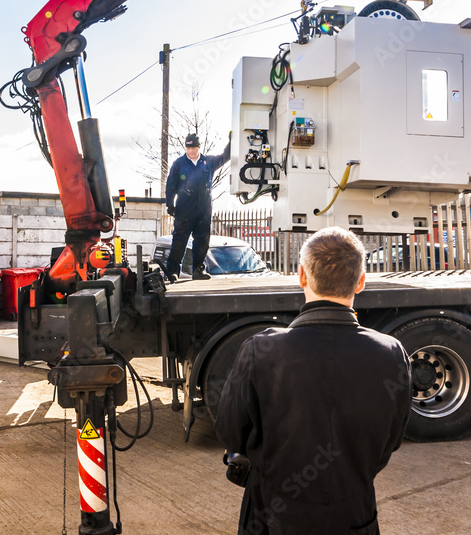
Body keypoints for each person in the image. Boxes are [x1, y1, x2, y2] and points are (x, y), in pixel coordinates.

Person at [215, 227, 412, 535]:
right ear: (361, 281)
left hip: (271, 516)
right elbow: (392, 439)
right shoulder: (392, 353)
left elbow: (229, 432)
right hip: (355, 514)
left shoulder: (261, 350)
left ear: (302, 276)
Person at [164, 132, 231, 281]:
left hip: (204, 209)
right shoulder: (178, 164)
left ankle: (198, 270)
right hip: (184, 209)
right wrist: (170, 203)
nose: (191, 151)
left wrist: (231, 141)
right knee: (179, 240)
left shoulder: (208, 161)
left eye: (194, 147)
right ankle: (172, 271)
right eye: (188, 148)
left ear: (198, 147)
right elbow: (170, 186)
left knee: (202, 240)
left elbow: (225, 157)